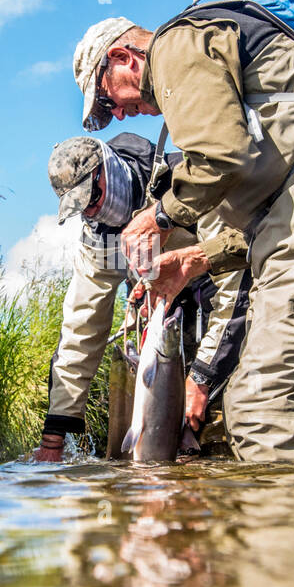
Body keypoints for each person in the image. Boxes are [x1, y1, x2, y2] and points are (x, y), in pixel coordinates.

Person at [72, 12, 294, 463]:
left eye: (105, 98)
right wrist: (199, 259)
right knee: (249, 405)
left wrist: (159, 216)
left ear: (122, 57)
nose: (115, 114)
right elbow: (253, 194)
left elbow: (222, 156)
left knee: (262, 407)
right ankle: (275, 524)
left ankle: (278, 530)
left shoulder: (172, 48)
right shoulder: (193, 82)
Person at [32, 131, 250, 463]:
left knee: (221, 441)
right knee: (154, 457)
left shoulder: (187, 184)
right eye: (81, 209)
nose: (90, 213)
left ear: (105, 170)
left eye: (92, 198)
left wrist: (204, 376)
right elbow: (82, 331)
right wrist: (53, 439)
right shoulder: (100, 239)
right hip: (163, 335)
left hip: (229, 317)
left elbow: (236, 285)